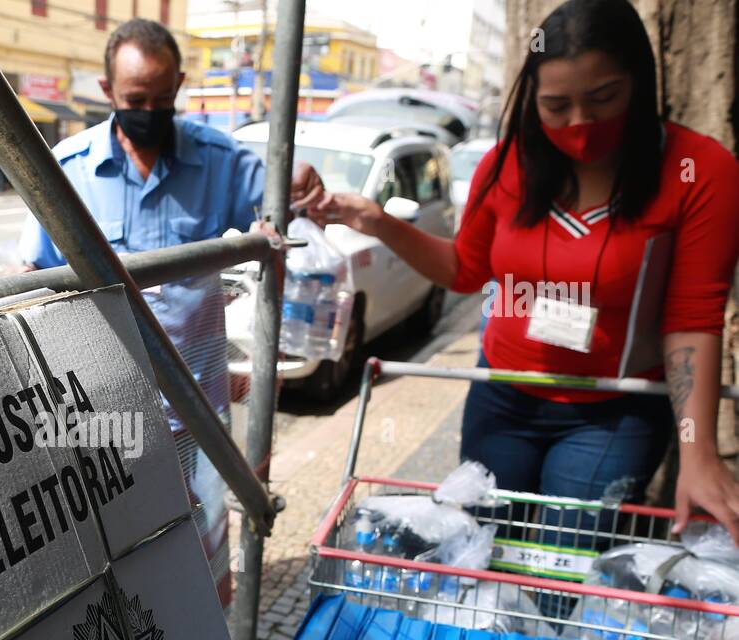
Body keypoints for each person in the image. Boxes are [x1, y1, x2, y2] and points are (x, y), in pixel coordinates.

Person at [306, 0, 739, 542]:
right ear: (531, 97)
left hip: (613, 411)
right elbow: (466, 270)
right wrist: (378, 222)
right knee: (479, 550)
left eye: (604, 98)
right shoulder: (505, 164)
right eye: (556, 106)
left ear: (640, 81)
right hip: (502, 395)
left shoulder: (697, 171)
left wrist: (698, 453)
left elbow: (692, 317)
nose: (580, 124)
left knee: (562, 564)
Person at [18, 17, 322, 600]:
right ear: (107, 92)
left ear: (180, 85)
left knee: (210, 581)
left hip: (199, 414)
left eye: (163, 98)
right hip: (105, 423)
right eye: (136, 100)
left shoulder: (219, 162)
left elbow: (280, 199)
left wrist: (299, 186)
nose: (150, 111)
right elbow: (33, 280)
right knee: (122, 581)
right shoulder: (67, 169)